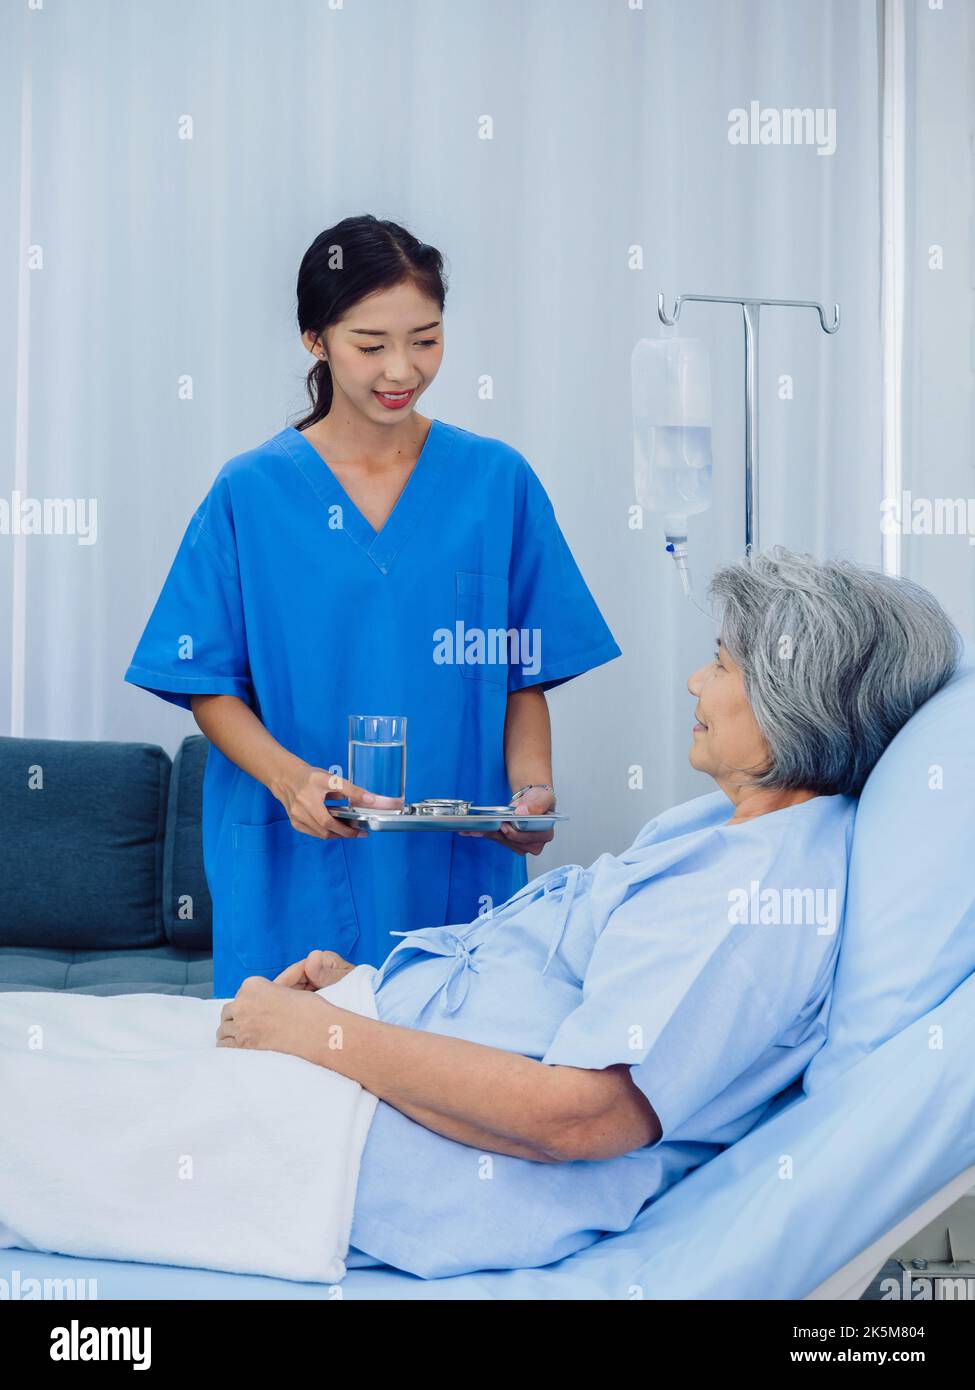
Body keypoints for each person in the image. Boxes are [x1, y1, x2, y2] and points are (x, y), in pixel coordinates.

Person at [215, 547, 961, 1277]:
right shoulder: (722, 830)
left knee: (101, 1114)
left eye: (723, 665)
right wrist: (368, 999)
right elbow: (557, 993)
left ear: (793, 701)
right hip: (354, 1092)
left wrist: (327, 1034)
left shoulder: (755, 896)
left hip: (370, 1161)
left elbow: (577, 1114)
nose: (696, 681)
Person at [123, 215, 620, 996]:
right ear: (314, 340)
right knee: (279, 1090)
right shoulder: (250, 494)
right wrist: (291, 782)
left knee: (446, 1084)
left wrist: (532, 788)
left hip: (456, 869)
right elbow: (206, 684)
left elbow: (522, 672)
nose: (402, 369)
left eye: (425, 339)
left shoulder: (496, 483)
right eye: (370, 343)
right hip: (294, 863)